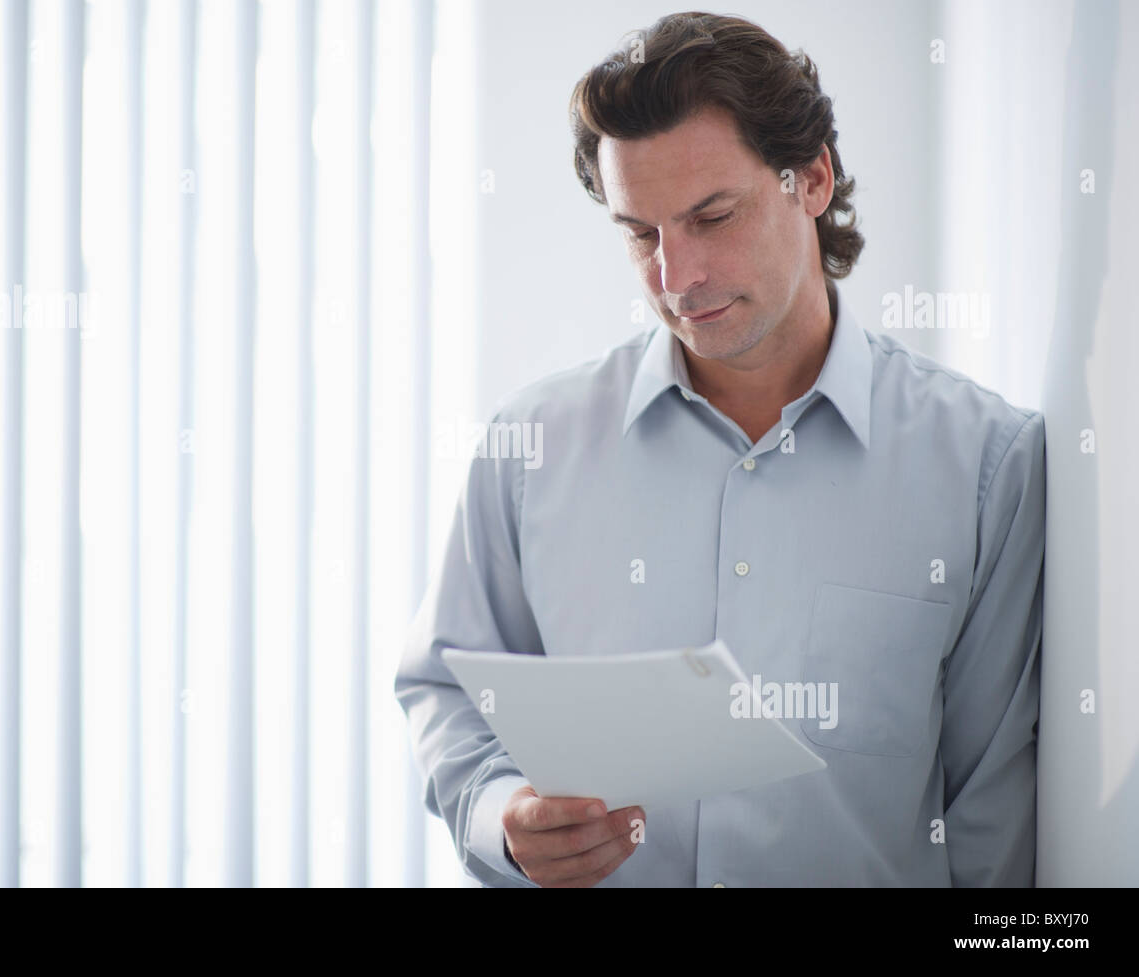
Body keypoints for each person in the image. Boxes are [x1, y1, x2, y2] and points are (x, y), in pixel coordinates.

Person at [394, 11, 1045, 887]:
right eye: (641, 233)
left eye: (713, 216)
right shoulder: (528, 449)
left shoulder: (983, 468)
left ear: (811, 178)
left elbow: (990, 828)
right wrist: (501, 812)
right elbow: (447, 690)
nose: (676, 276)